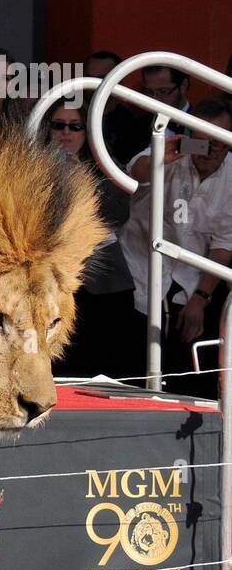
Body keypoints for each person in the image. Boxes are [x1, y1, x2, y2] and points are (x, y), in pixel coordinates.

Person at [119, 97, 232, 398]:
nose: (210, 150)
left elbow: (224, 244)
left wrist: (201, 298)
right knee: (129, 378)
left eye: (219, 142)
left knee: (188, 381)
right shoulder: (169, 149)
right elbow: (134, 171)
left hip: (189, 282)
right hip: (137, 275)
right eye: (203, 141)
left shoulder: (231, 176)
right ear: (190, 136)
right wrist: (159, 157)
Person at [44, 101, 136, 379]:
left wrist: (80, 178)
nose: (65, 133)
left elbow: (118, 213)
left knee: (106, 365)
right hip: (54, 276)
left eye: (75, 127)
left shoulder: (104, 165)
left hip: (104, 279)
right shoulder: (34, 165)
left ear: (89, 131)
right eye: (58, 125)